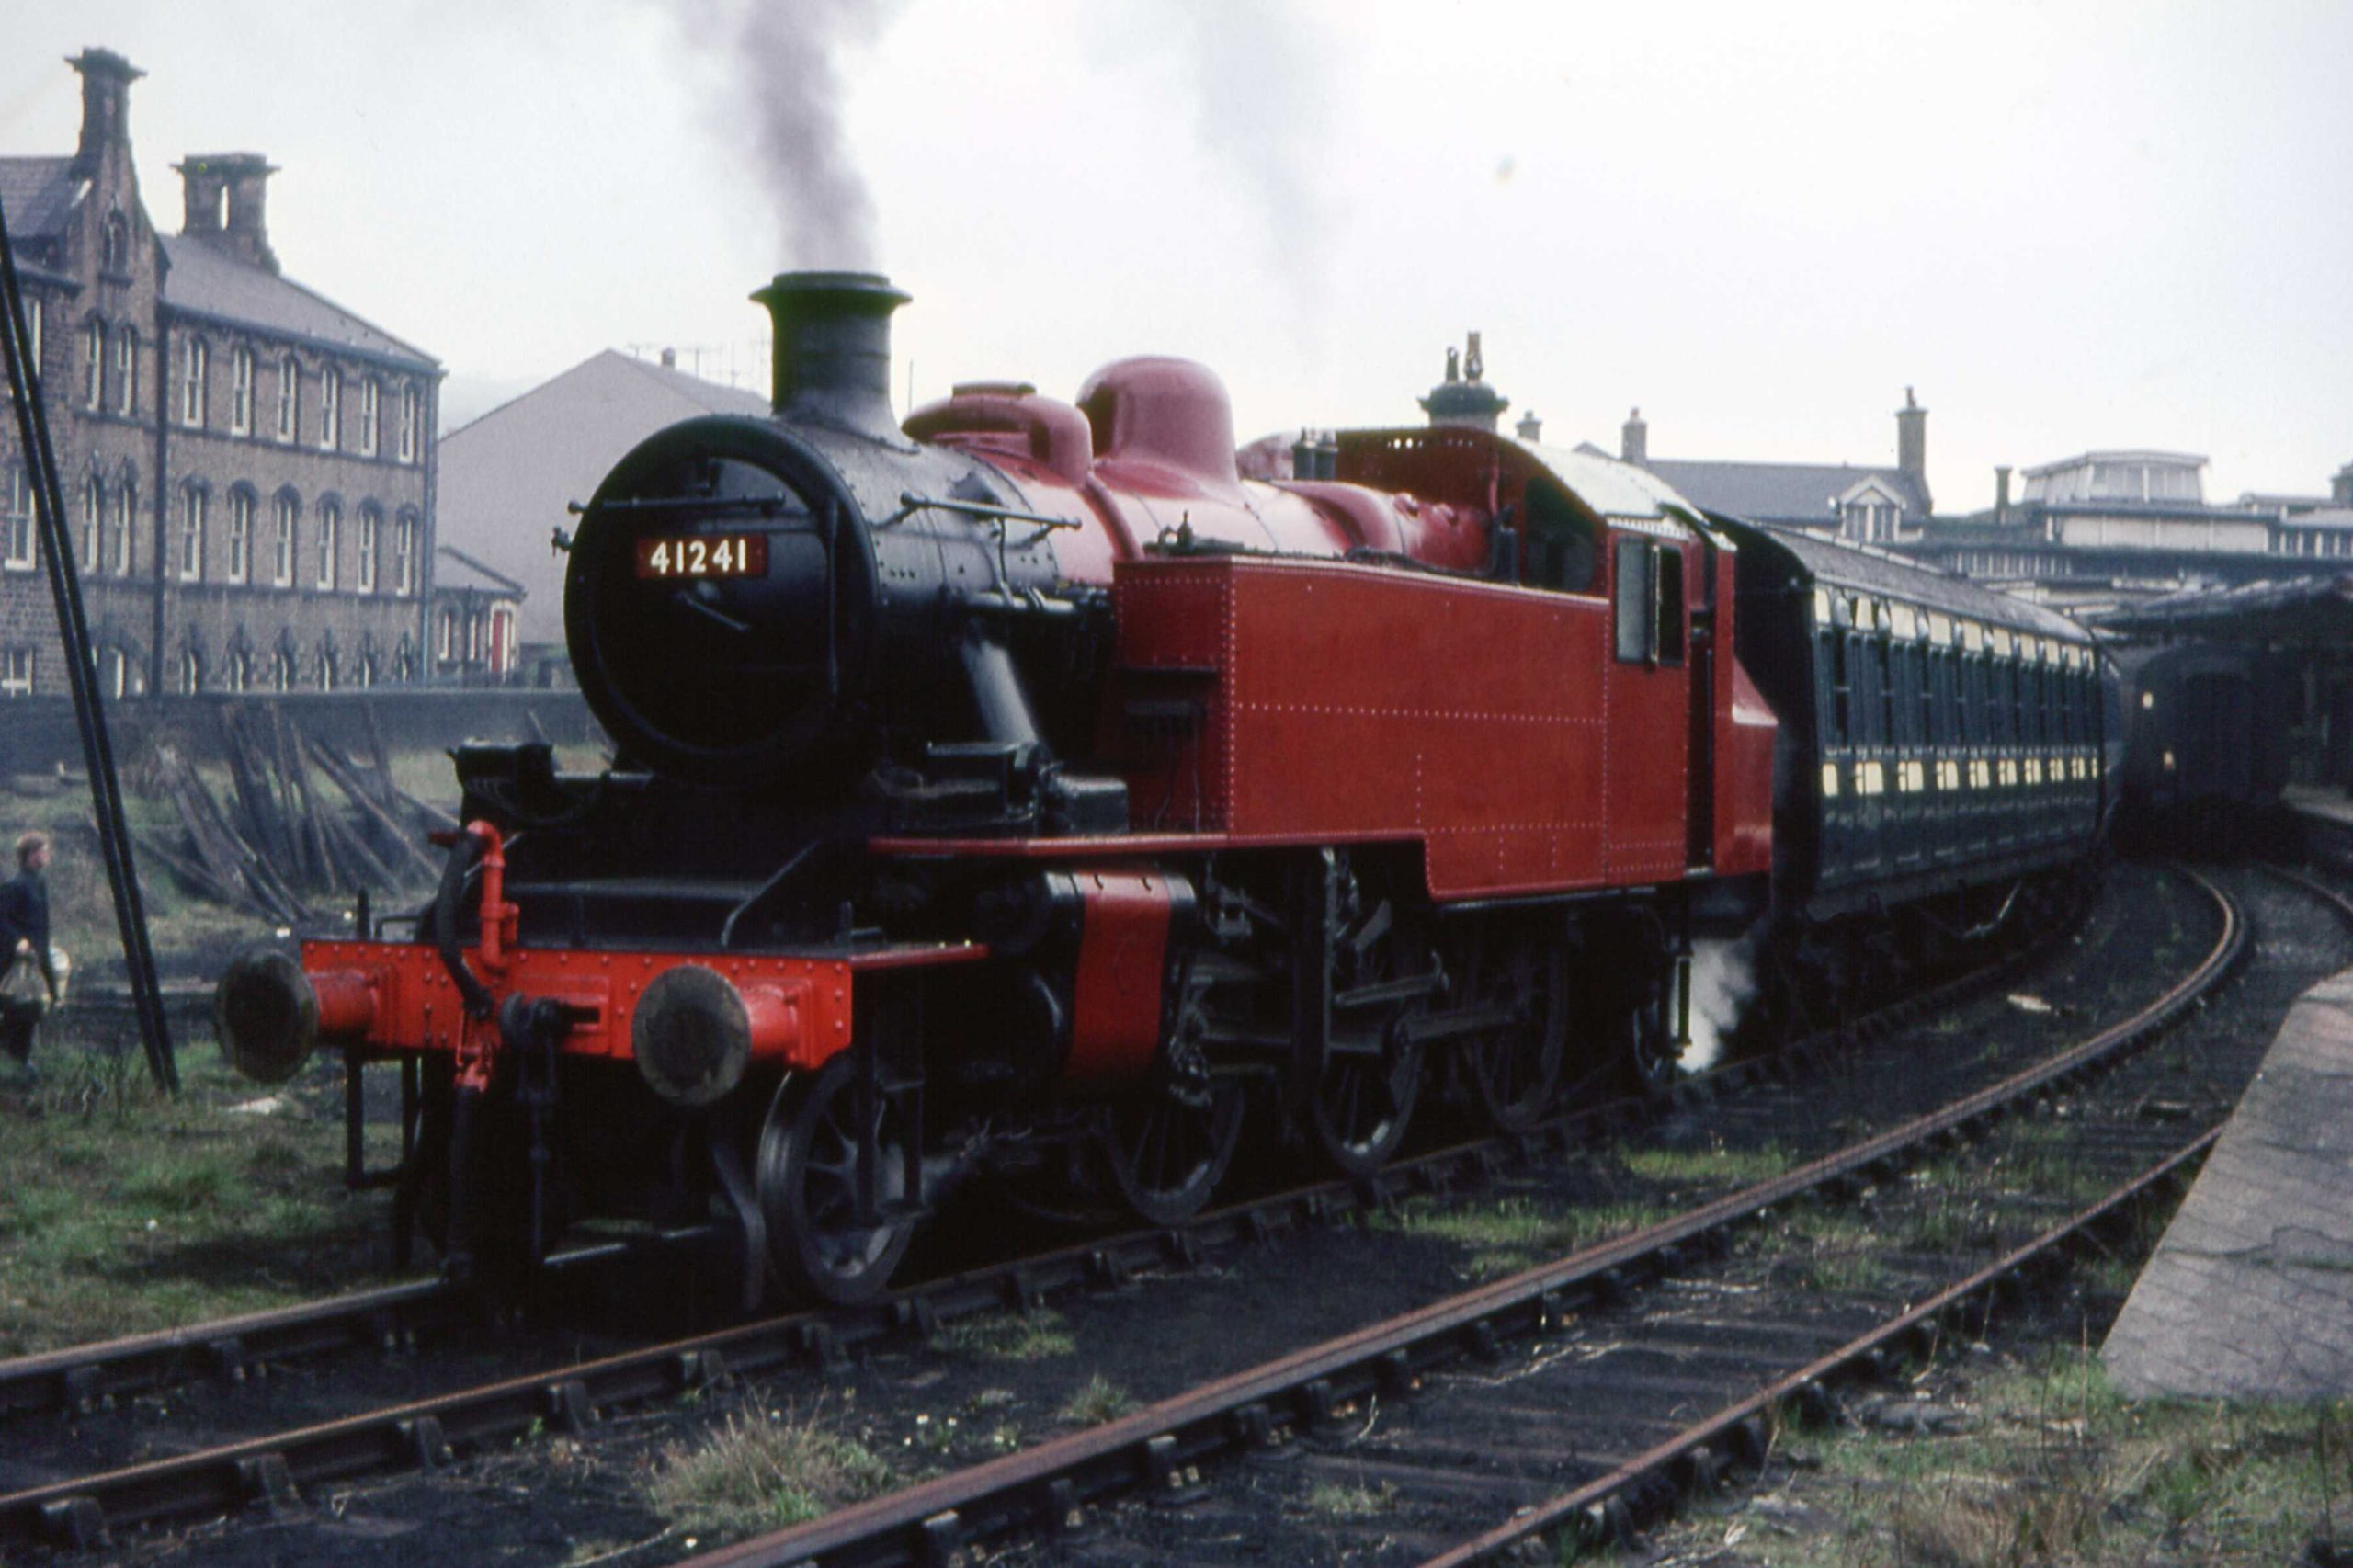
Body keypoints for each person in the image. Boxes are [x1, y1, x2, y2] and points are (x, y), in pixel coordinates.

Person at [0, 831, 58, 1073]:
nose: (47, 855)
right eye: (43, 850)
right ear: (32, 854)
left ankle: (20, 1059)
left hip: (37, 956)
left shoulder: (40, 883)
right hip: (17, 959)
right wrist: (18, 941)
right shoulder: (15, 885)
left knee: (35, 1006)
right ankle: (15, 1059)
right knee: (18, 1006)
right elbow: (2, 920)